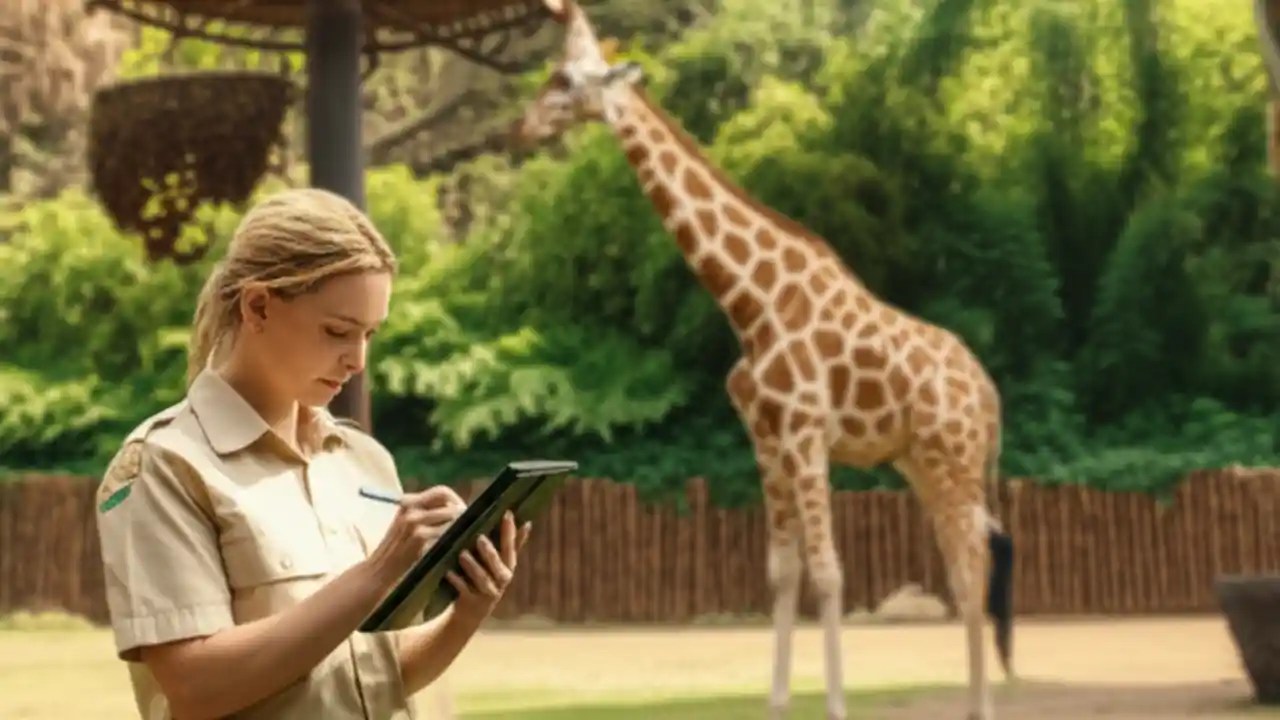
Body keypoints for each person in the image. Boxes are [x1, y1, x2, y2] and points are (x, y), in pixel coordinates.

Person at [94, 187, 531, 720]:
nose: (358, 360)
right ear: (258, 306)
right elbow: (196, 684)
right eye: (337, 331)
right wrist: (377, 572)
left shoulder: (362, 462)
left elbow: (376, 679)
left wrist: (468, 611)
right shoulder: (165, 465)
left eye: (370, 334)